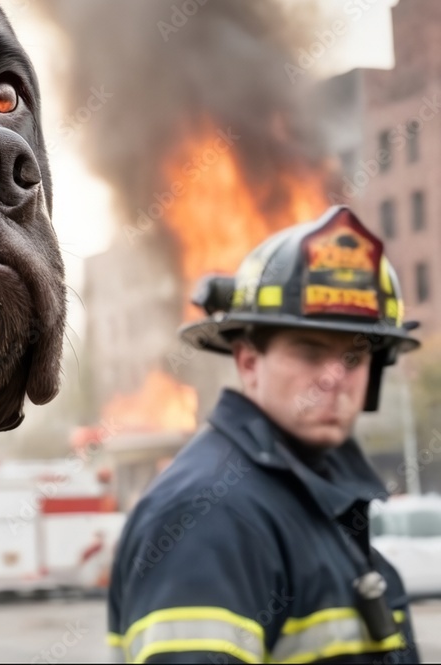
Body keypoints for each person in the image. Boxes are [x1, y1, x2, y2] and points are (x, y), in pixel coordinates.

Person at [107, 205, 422, 664]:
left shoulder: (311, 496)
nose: (335, 378)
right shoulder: (207, 514)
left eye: (354, 357)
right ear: (249, 363)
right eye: (311, 352)